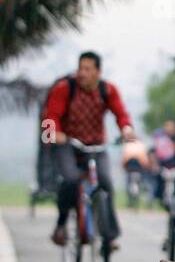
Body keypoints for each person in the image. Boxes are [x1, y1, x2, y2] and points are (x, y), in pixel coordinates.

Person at [42, 51, 136, 249]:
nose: (82, 73)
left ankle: (109, 238)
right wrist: (55, 134)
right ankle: (61, 225)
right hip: (68, 144)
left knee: (105, 182)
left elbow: (121, 114)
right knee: (70, 180)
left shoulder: (108, 90)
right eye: (80, 68)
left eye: (87, 69)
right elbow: (50, 117)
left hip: (96, 145)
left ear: (98, 72)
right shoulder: (64, 88)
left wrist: (126, 130)